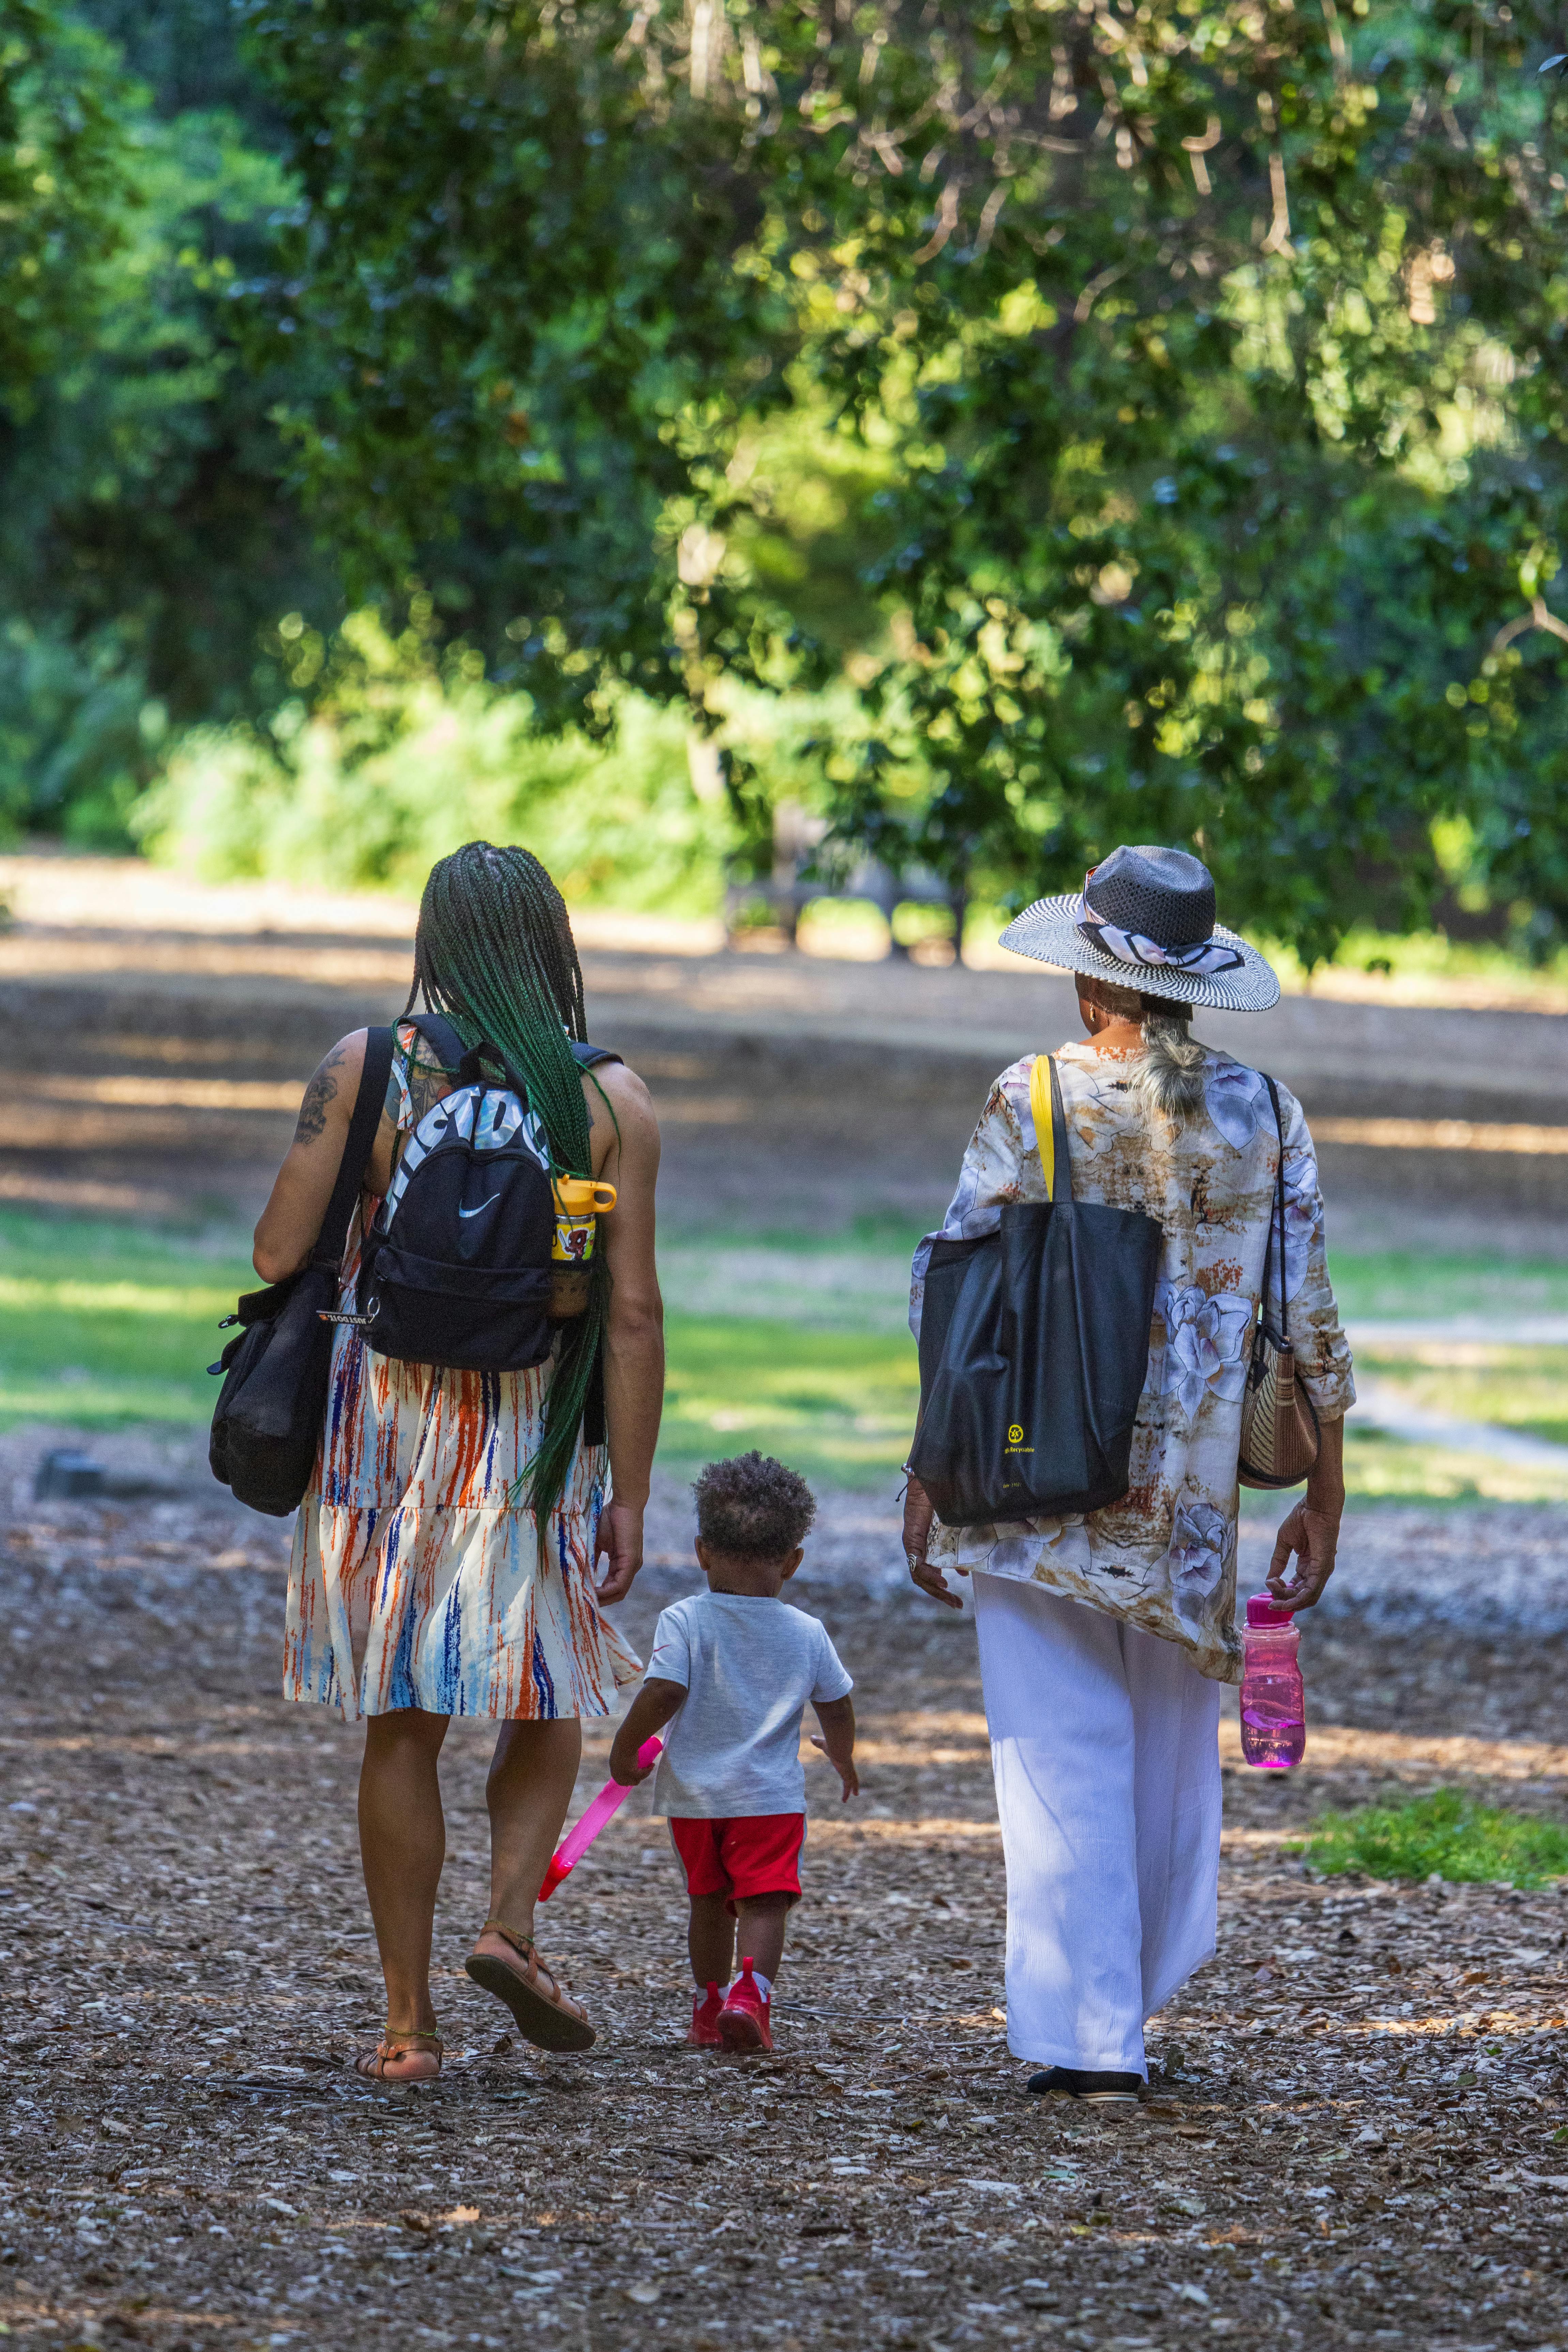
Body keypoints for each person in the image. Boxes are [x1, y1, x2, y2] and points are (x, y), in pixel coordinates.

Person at [902, 844, 1354, 2104]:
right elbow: (1305, 1309)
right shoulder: (1265, 1109)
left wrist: (926, 1468)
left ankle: (1092, 2028)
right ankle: (1135, 1988)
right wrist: (1322, 1495)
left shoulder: (1031, 1094)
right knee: (1165, 1747)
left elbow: (958, 1291)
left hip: (1034, 1467)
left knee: (1055, 1744)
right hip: (1194, 1494)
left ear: (1091, 984)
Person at [252, 841, 664, 2079]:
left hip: (387, 1430)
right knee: (544, 1694)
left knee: (404, 1720)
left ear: (436, 938)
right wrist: (632, 1493)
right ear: (551, 941)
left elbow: (278, 1254)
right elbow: (632, 1311)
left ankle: (404, 2025)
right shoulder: (606, 1098)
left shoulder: (369, 1067)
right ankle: (511, 1926)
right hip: (534, 1433)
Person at [609, 1453, 858, 2054]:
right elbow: (838, 1702)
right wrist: (843, 1756)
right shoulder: (805, 1631)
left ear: (702, 1550)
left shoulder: (685, 1618)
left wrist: (625, 1750)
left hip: (695, 1795)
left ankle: (707, 2006)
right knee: (764, 1902)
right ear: (793, 1560)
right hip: (768, 1798)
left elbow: (664, 1690)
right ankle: (752, 1995)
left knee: (708, 1901)